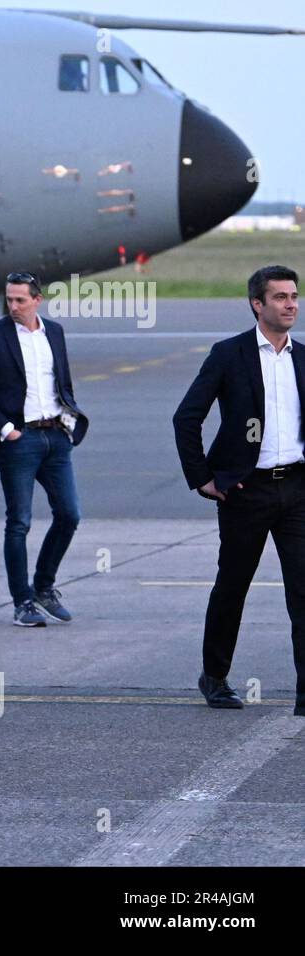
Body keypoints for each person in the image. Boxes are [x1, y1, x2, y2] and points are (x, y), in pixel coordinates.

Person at [173, 265, 305, 716]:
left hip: (297, 491)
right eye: (281, 297)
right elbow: (186, 417)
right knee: (233, 587)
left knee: (303, 591)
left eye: (294, 296)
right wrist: (203, 477)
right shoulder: (229, 354)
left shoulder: (302, 357)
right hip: (246, 492)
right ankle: (215, 676)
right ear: (257, 304)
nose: (291, 304)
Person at [0, 272, 88, 627]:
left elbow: (61, 381)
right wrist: (6, 430)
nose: (13, 306)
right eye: (9, 299)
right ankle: (22, 601)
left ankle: (44, 587)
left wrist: (68, 420)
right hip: (19, 439)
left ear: (37, 299)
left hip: (56, 436)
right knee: (19, 521)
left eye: (20, 300)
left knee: (70, 514)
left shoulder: (54, 332)